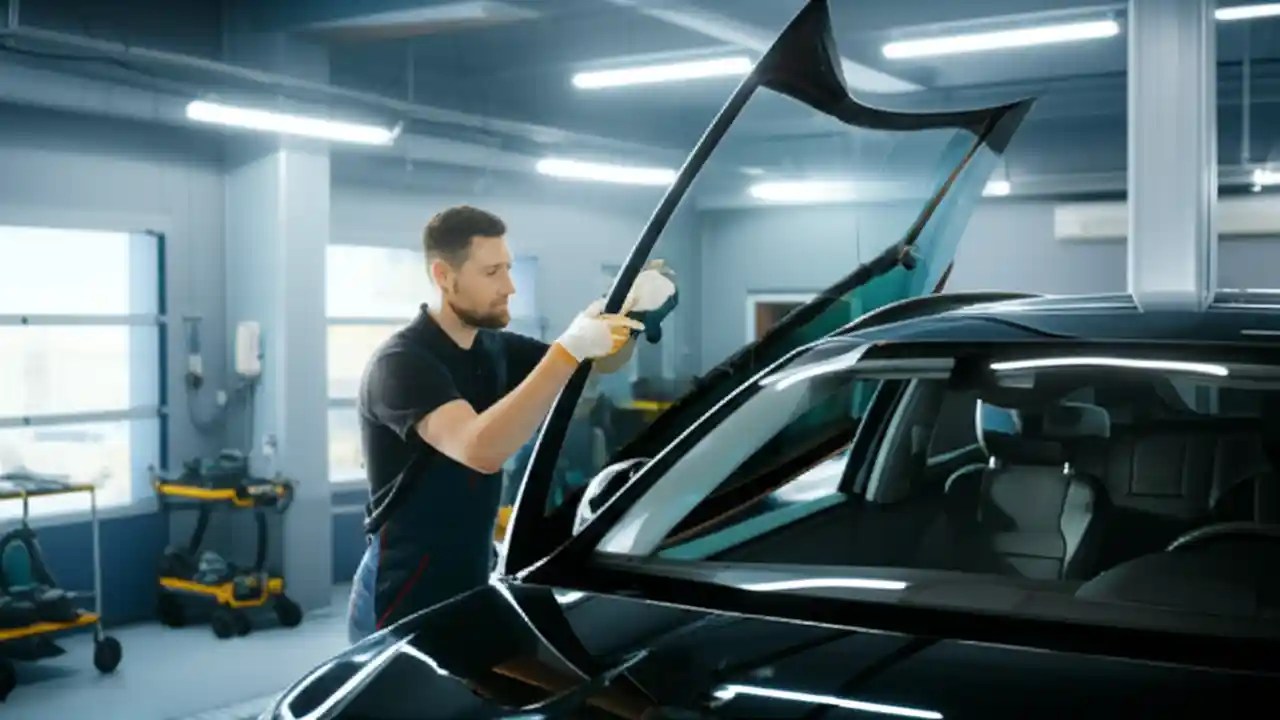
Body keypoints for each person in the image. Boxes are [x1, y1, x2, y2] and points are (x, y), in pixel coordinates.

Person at [347, 205, 675, 642]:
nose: (510, 286)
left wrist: (632, 316)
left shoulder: (495, 349)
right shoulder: (402, 365)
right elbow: (480, 450)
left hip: (470, 577)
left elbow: (592, 368)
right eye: (492, 272)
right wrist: (568, 349)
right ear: (445, 276)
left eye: (509, 268)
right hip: (401, 588)